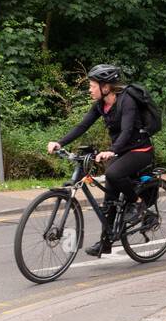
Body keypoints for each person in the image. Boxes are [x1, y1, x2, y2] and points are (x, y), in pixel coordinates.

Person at [47, 64, 155, 257]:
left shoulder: (127, 100)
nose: (89, 89)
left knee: (113, 173)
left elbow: (127, 131)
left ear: (105, 87)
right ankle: (106, 243)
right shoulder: (100, 105)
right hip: (121, 152)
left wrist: (112, 150)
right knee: (110, 198)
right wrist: (60, 142)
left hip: (140, 150)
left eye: (92, 85)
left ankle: (138, 203)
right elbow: (82, 126)